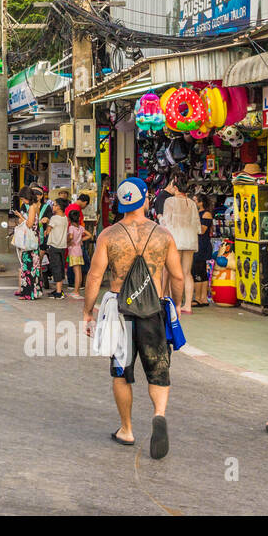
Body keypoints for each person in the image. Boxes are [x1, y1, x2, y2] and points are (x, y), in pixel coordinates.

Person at [82, 177, 185, 460]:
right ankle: (159, 414)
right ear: (146, 200)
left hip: (119, 310)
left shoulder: (108, 235)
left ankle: (126, 429)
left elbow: (94, 276)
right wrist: (175, 304)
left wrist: (87, 312)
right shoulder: (163, 235)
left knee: (121, 373)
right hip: (153, 309)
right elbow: (177, 275)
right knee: (158, 371)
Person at [160, 177, 199, 312]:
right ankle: (187, 305)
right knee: (187, 273)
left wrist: (159, 217)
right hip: (190, 239)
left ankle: (174, 303)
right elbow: (197, 225)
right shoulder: (192, 203)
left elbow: (165, 223)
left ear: (176, 188)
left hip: (175, 239)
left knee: (173, 272)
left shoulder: (169, 201)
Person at [192, 195, 214, 307]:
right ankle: (202, 298)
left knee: (198, 270)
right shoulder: (197, 214)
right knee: (201, 271)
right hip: (198, 244)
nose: (193, 202)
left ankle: (200, 298)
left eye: (195, 200)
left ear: (201, 202)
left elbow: (201, 230)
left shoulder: (206, 214)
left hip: (202, 245)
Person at [45, 198, 69, 299]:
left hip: (54, 246)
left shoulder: (54, 218)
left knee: (56, 267)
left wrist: (46, 222)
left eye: (54, 205)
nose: (53, 206)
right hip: (62, 246)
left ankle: (58, 292)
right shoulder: (65, 218)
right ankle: (59, 289)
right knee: (60, 267)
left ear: (59, 207)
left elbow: (48, 231)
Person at [66, 203, 87, 300]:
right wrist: (81, 240)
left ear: (69, 219)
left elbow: (70, 236)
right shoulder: (81, 228)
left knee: (76, 271)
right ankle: (77, 290)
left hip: (73, 251)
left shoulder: (71, 228)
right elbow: (89, 235)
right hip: (79, 250)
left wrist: (68, 242)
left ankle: (76, 291)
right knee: (79, 271)